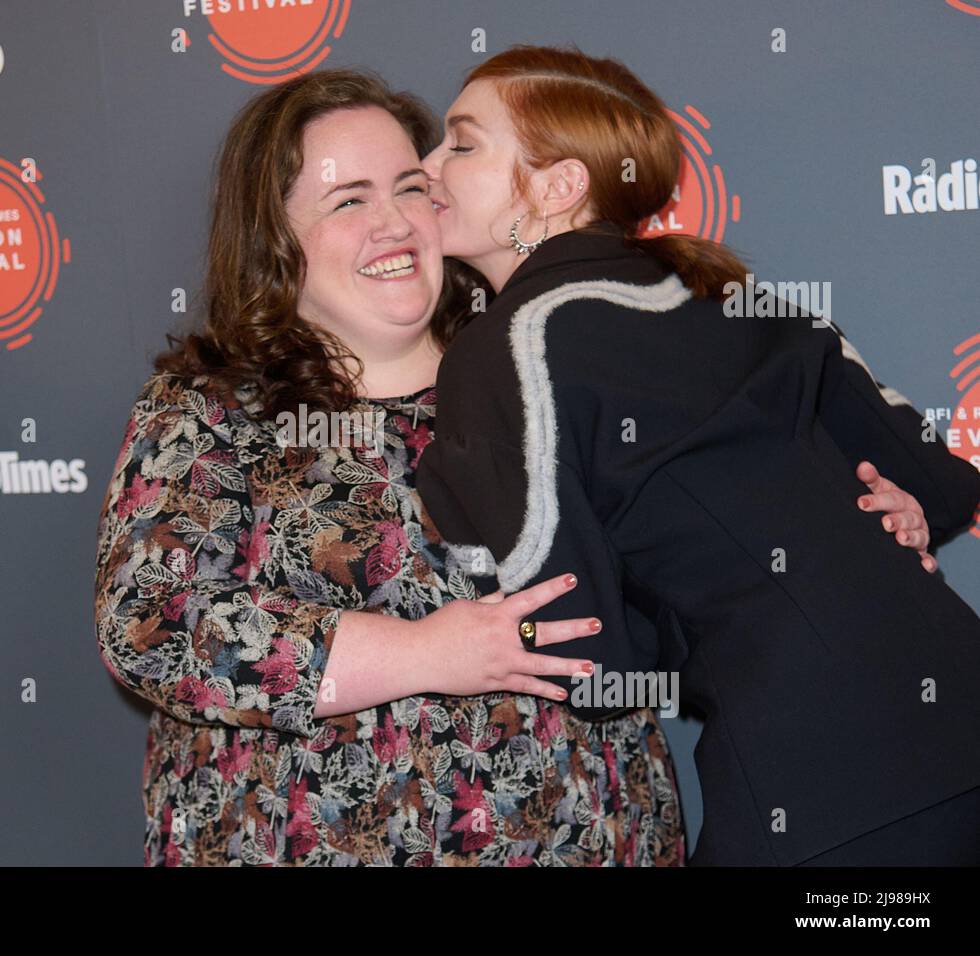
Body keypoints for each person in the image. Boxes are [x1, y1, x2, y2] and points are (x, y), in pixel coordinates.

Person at [95, 68, 931, 867]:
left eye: (411, 187)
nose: (395, 222)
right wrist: (424, 654)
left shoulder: (553, 358)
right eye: (349, 200)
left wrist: (859, 521)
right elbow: (151, 625)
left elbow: (720, 543)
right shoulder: (211, 408)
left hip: (598, 836)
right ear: (273, 235)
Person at [414, 45, 980, 865]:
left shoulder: (506, 346)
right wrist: (867, 530)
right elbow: (936, 481)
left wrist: (692, 634)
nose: (429, 165)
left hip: (822, 779)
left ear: (559, 185)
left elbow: (579, 646)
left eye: (462, 143)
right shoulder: (726, 292)